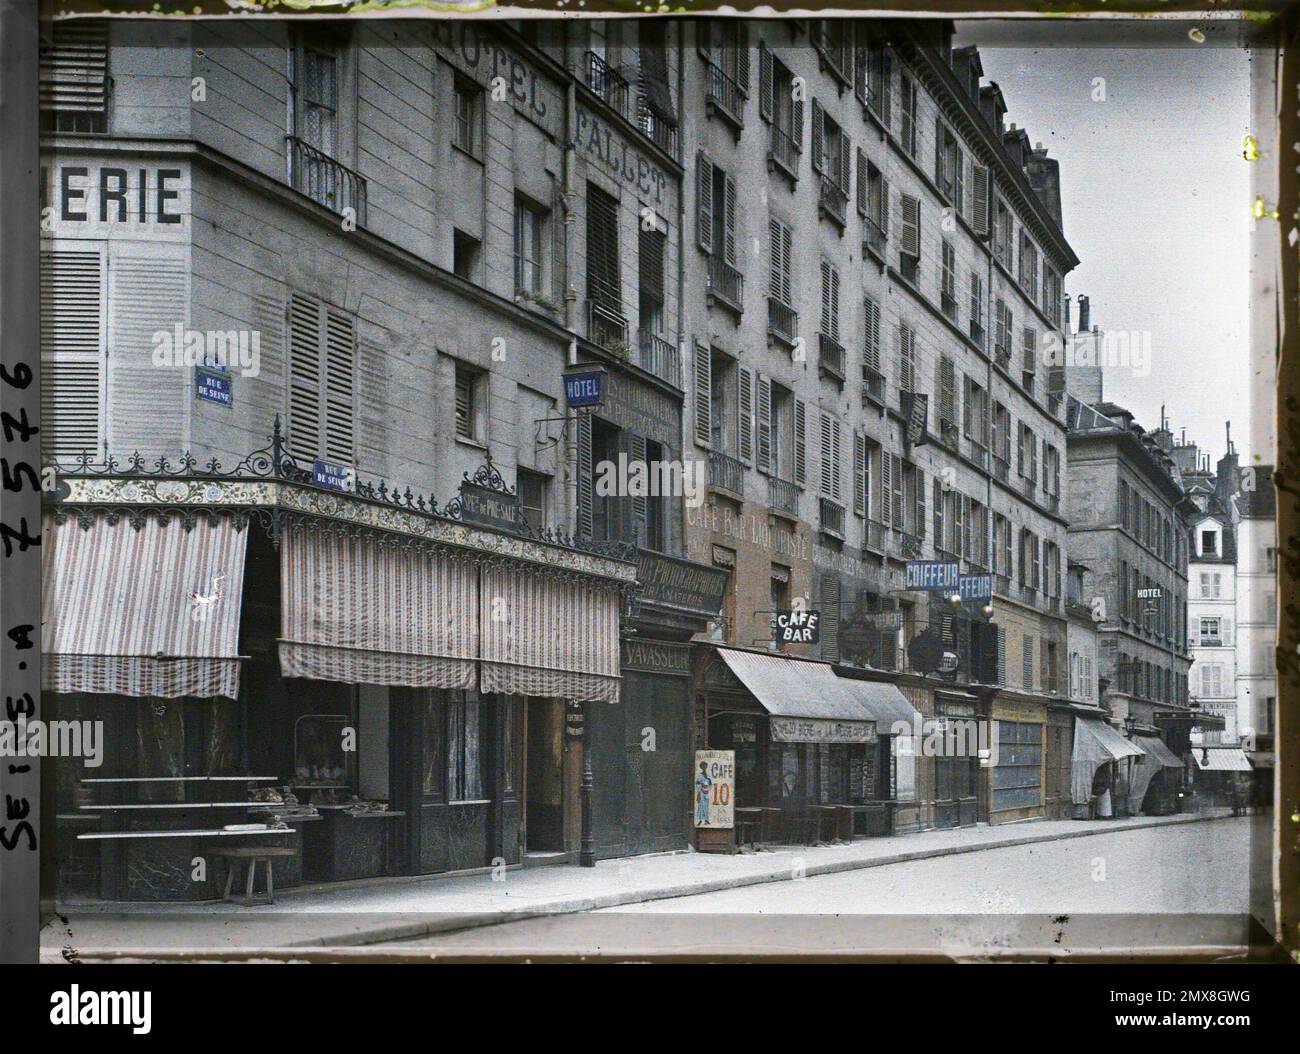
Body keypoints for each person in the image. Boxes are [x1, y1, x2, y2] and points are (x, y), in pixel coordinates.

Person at [695, 761, 712, 825]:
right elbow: (697, 784)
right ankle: (700, 820)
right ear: (701, 767)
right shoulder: (699, 775)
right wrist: (701, 788)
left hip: (706, 793)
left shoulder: (708, 775)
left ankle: (706, 820)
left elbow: (710, 785)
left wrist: (708, 787)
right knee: (701, 806)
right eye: (703, 766)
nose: (704, 767)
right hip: (701, 793)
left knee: (706, 806)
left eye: (705, 766)